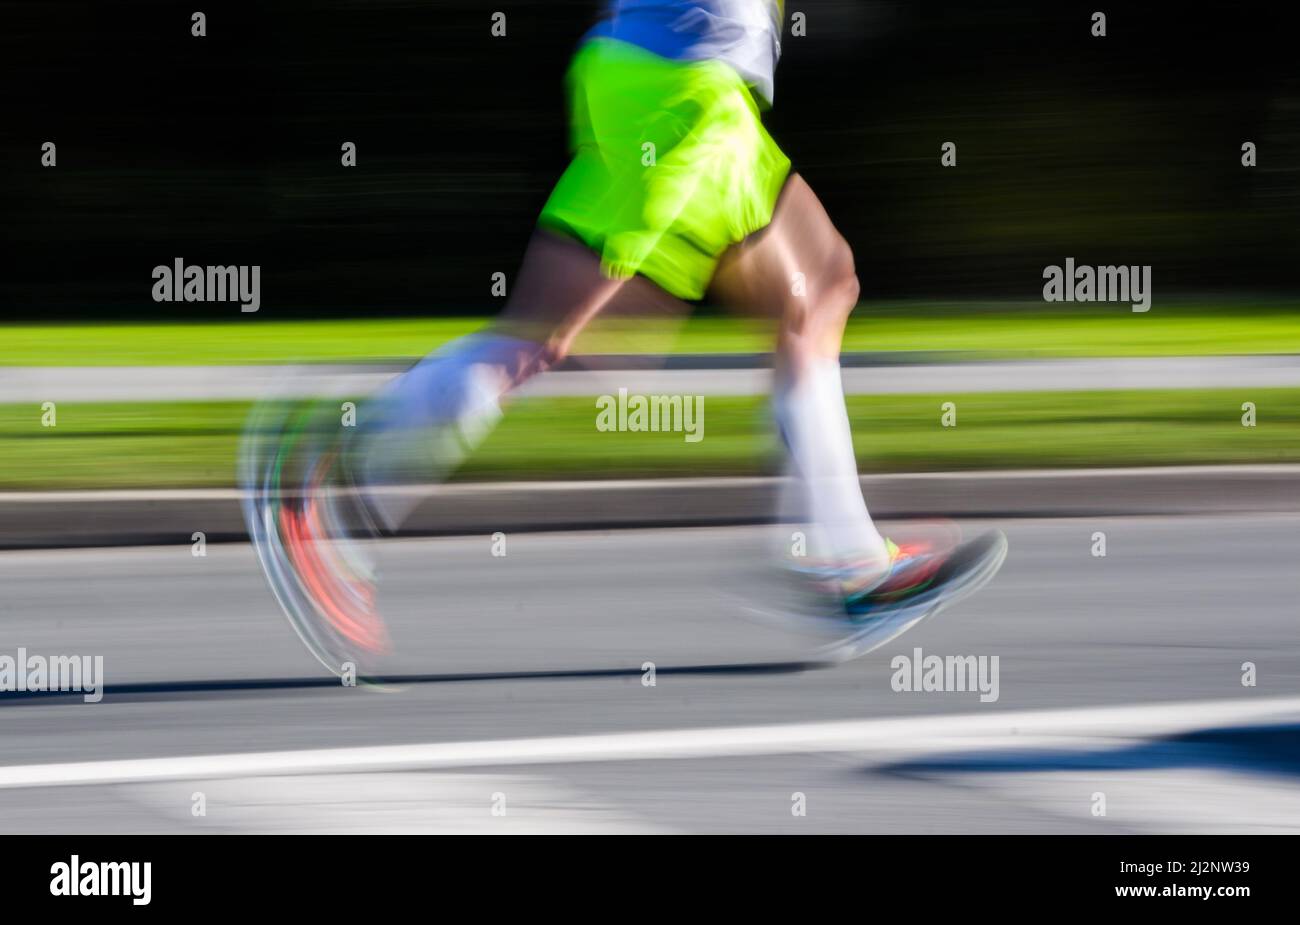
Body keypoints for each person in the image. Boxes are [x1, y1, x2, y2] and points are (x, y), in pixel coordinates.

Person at [251, 0, 1007, 673]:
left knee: (821, 286)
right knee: (553, 340)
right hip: (677, 94)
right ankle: (324, 479)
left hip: (698, 92)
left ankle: (849, 563)